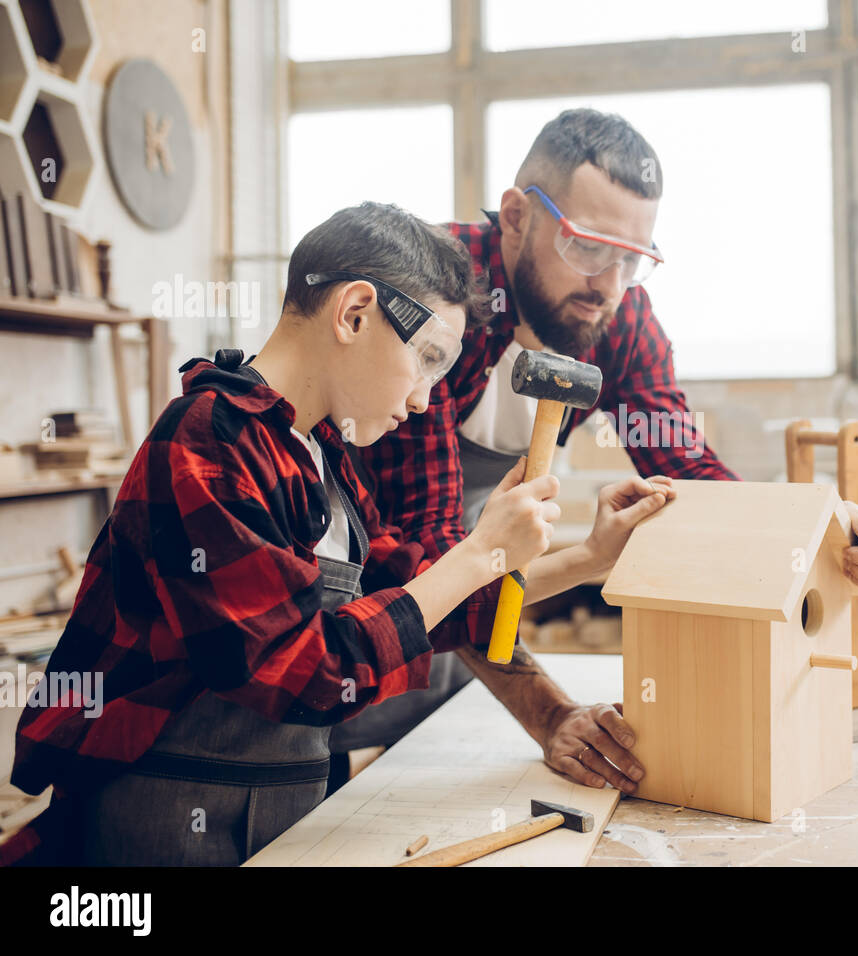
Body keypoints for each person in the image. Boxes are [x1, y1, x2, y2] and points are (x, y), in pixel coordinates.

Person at [0, 201, 669, 866]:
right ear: (354, 314)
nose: (425, 400)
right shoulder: (207, 440)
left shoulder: (321, 455)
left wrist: (588, 557)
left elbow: (417, 601)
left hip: (278, 809)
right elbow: (305, 674)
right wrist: (475, 550)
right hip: (158, 819)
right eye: (429, 359)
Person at [348, 109, 858, 791]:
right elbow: (434, 558)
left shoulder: (616, 318)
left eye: (632, 258)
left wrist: (829, 526)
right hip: (357, 597)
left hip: (466, 600)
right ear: (518, 216)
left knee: (424, 765)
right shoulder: (437, 302)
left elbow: (688, 472)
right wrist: (550, 715)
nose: (609, 285)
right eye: (587, 247)